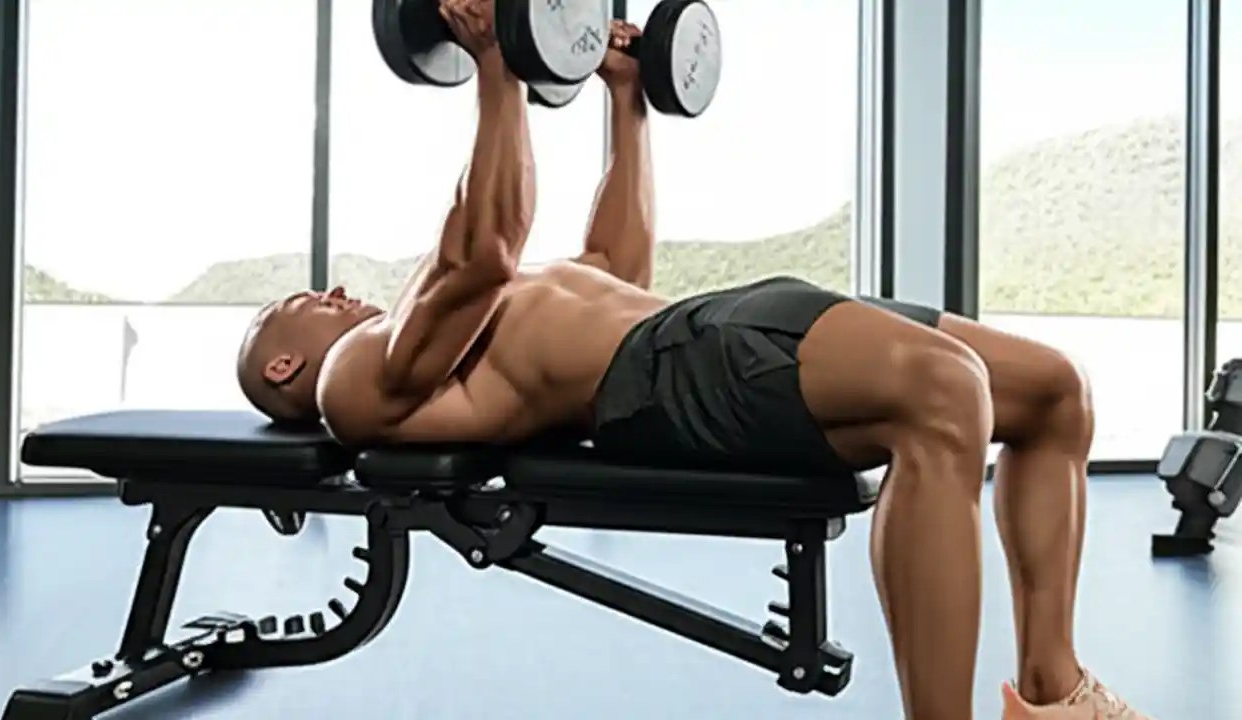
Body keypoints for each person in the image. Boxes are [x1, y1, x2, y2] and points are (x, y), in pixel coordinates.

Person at [236, 1, 1150, 718]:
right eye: (301, 305)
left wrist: (628, 105)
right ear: (284, 367)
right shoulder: (352, 378)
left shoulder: (451, 320)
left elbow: (614, 268)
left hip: (711, 325)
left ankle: (1052, 691)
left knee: (1053, 391)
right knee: (947, 392)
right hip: (665, 373)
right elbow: (484, 252)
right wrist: (495, 66)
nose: (331, 293)